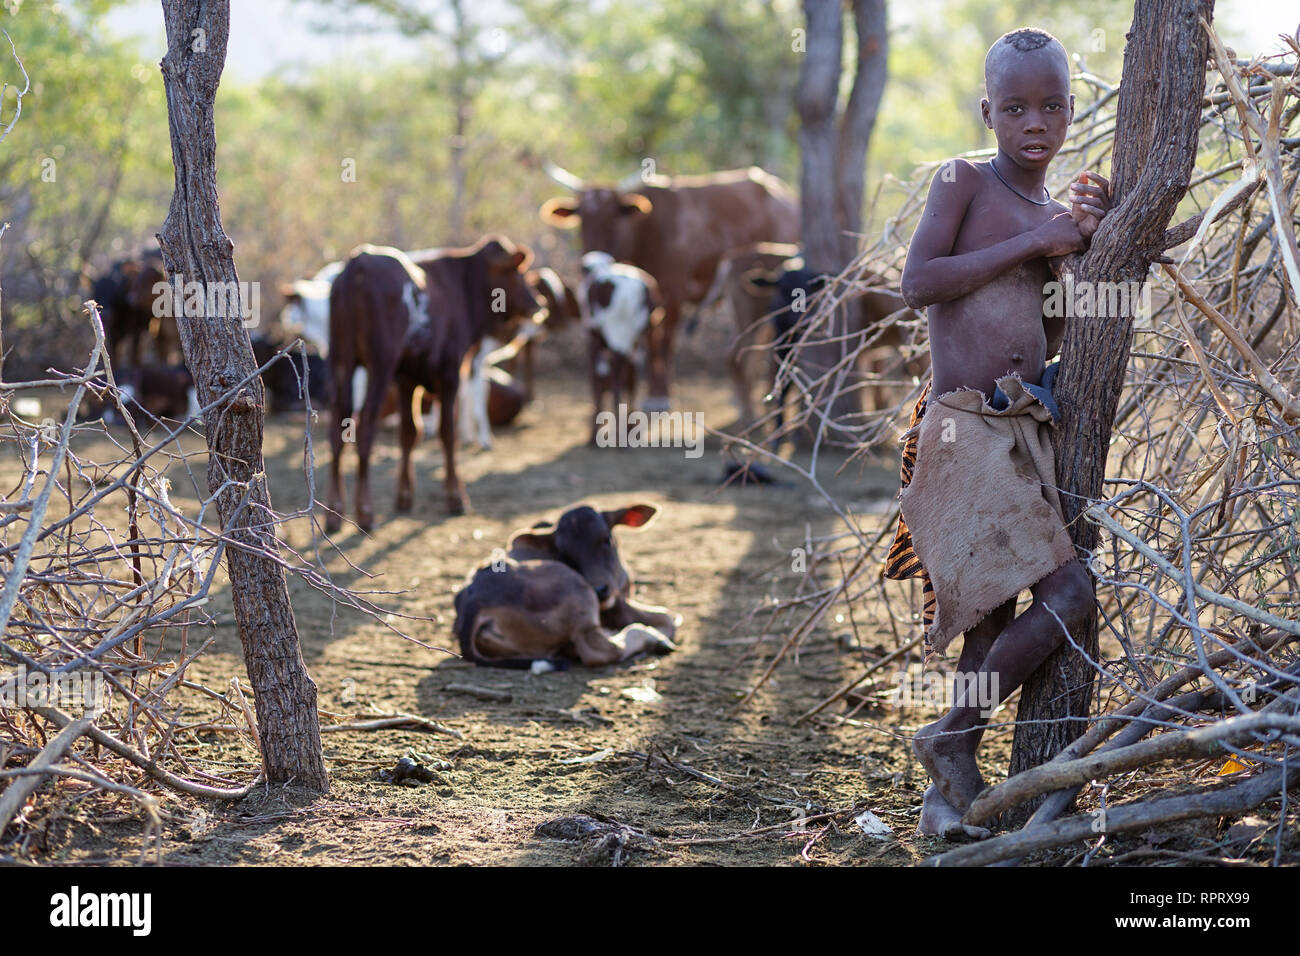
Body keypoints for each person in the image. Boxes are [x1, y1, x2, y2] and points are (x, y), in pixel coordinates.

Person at [890, 26, 1111, 839]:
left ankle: (944, 805)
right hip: (962, 431)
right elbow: (919, 283)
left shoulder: (1052, 213)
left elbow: (1048, 340)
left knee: (989, 628)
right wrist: (1034, 242)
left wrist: (1082, 244)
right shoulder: (963, 182)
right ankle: (951, 738)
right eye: (1015, 107)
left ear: (1068, 111)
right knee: (1069, 593)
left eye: (1051, 105)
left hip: (1023, 432)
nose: (1034, 122)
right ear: (988, 112)